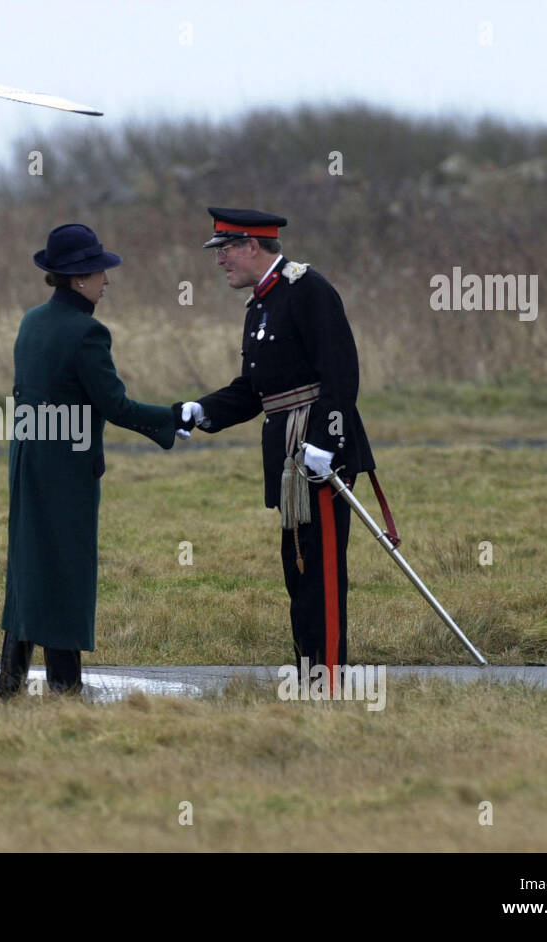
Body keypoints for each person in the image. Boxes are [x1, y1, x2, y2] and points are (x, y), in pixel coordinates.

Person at [176, 207, 375, 676]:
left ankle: (325, 681)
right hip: (290, 455)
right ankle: (310, 672)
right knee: (300, 569)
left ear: (251, 246)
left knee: (320, 573)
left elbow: (341, 373)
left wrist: (327, 442)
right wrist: (203, 410)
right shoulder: (262, 302)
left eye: (226, 250)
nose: (220, 260)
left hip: (318, 454)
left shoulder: (307, 290)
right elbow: (255, 389)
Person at [0, 223, 185, 698]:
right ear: (78, 279)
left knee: (28, 567)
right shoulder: (87, 333)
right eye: (101, 272)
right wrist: (172, 419)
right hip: (65, 470)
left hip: (28, 460)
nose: (108, 280)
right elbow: (116, 406)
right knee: (65, 572)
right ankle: (65, 689)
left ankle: (10, 682)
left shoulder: (31, 321)